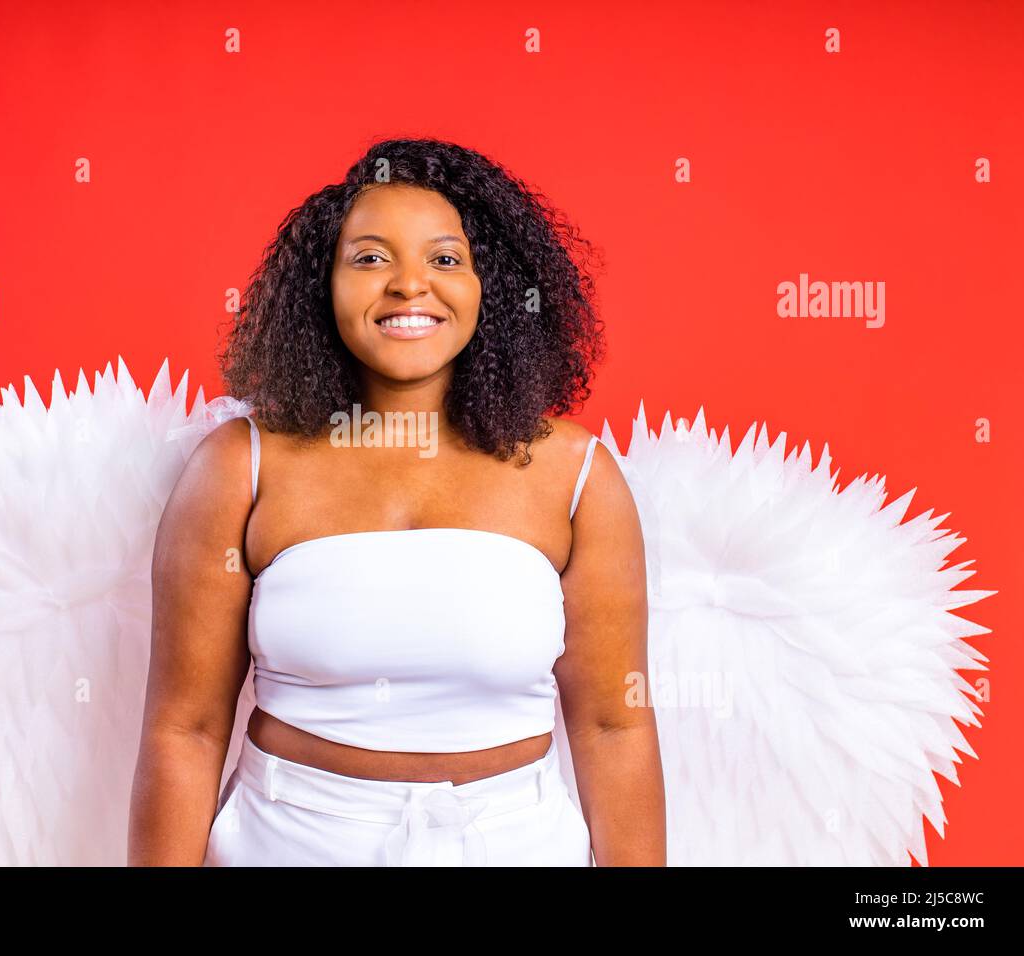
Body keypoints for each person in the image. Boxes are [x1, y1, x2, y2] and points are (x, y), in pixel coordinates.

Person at [127, 137, 665, 866]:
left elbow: (613, 726)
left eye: (444, 259)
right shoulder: (239, 467)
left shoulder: (575, 474)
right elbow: (183, 729)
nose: (410, 285)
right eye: (371, 258)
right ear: (325, 286)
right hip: (287, 843)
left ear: (492, 288)